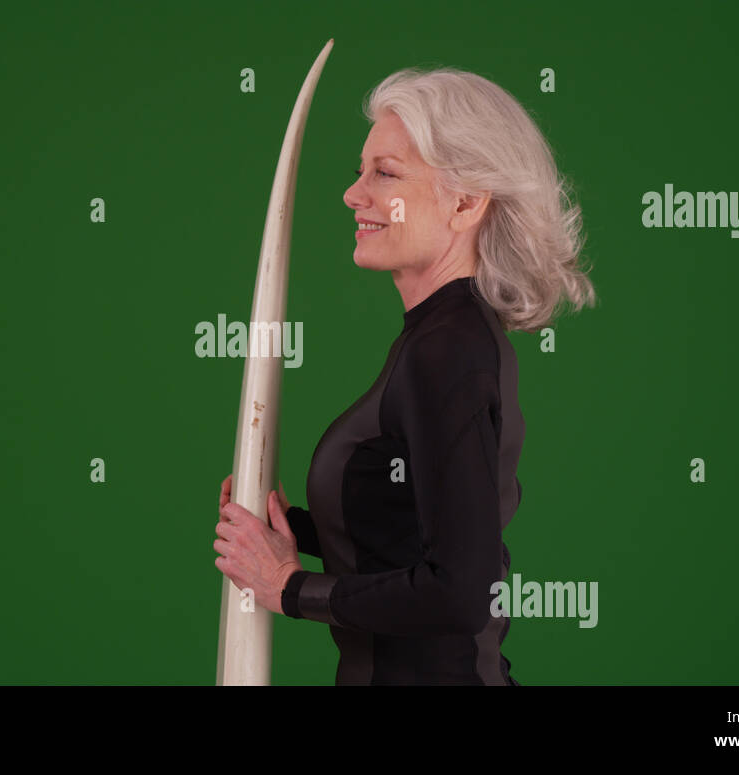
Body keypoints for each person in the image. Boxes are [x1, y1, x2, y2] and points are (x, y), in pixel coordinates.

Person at [214, 67, 596, 685]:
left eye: (384, 173)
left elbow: (458, 592)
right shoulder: (441, 338)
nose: (352, 194)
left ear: (466, 202)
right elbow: (409, 535)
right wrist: (285, 534)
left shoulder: (447, 350)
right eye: (361, 170)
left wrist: (287, 587)